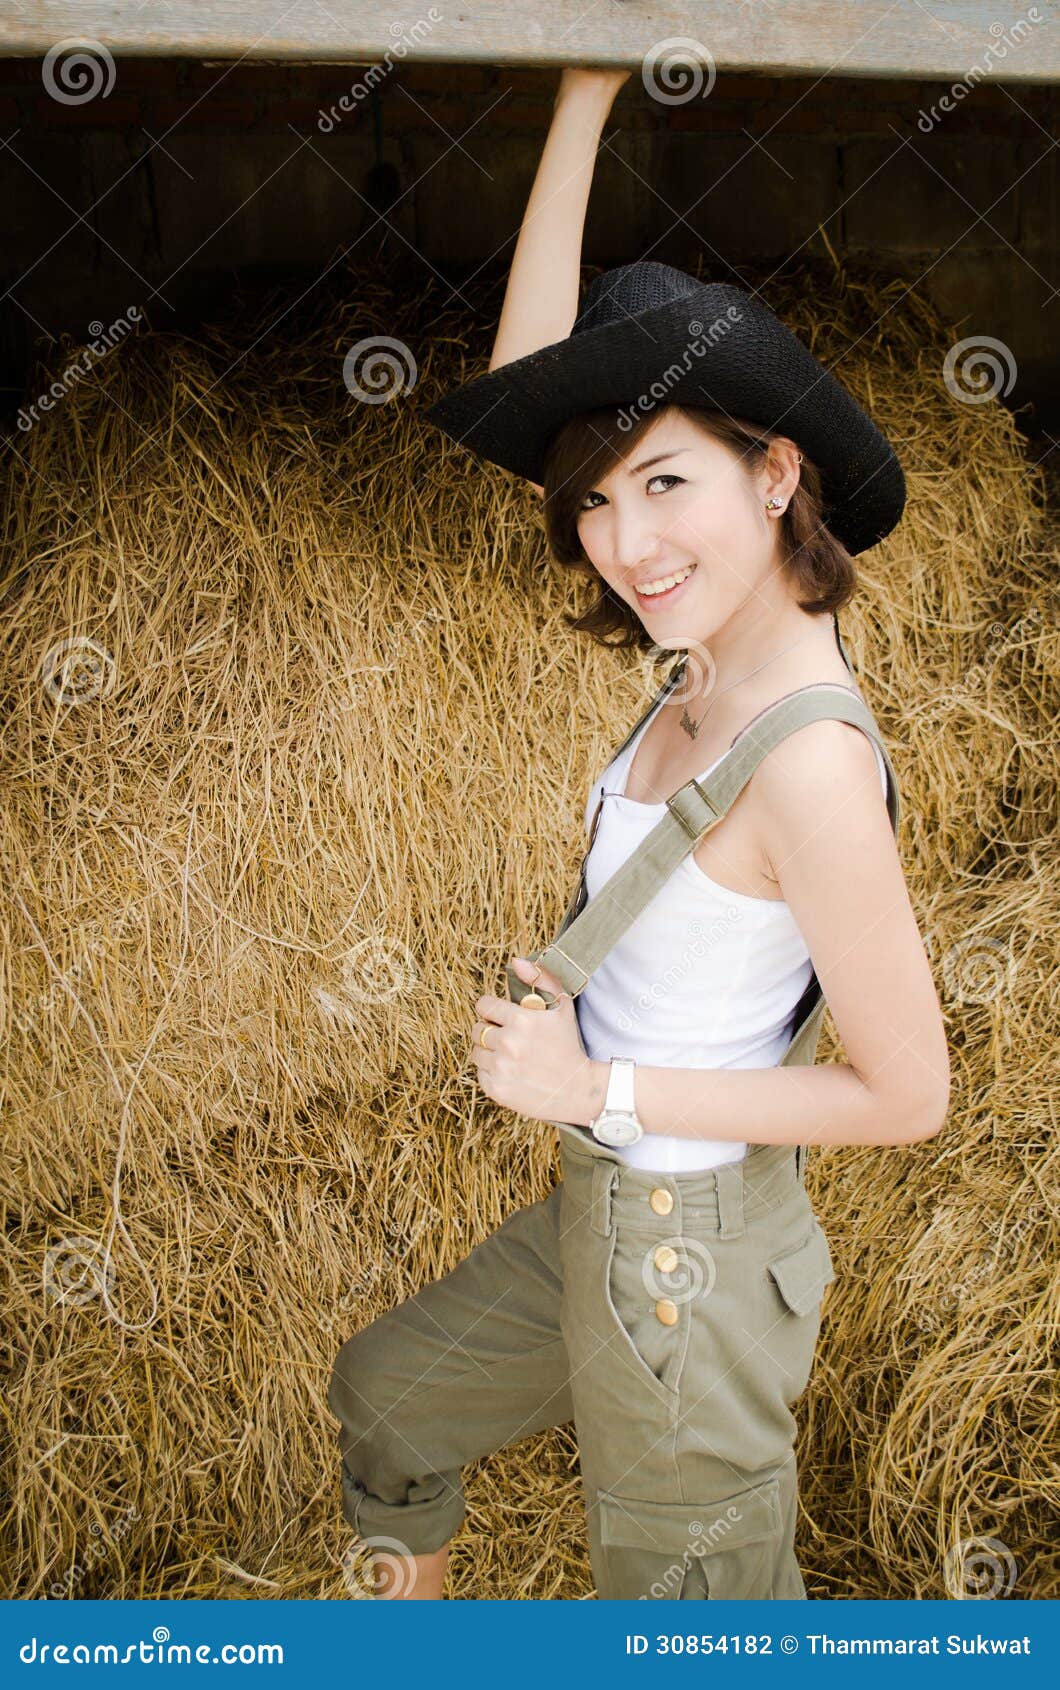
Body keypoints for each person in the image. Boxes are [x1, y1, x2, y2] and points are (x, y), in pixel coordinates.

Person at [327, 66, 950, 1601]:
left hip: (683, 1255)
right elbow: (527, 377)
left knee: (683, 1622)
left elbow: (910, 1094)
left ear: (776, 469)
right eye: (596, 501)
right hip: (597, 1205)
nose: (624, 542)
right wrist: (587, 86)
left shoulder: (803, 757)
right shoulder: (715, 653)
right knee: (393, 1399)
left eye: (665, 482)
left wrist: (591, 1076)